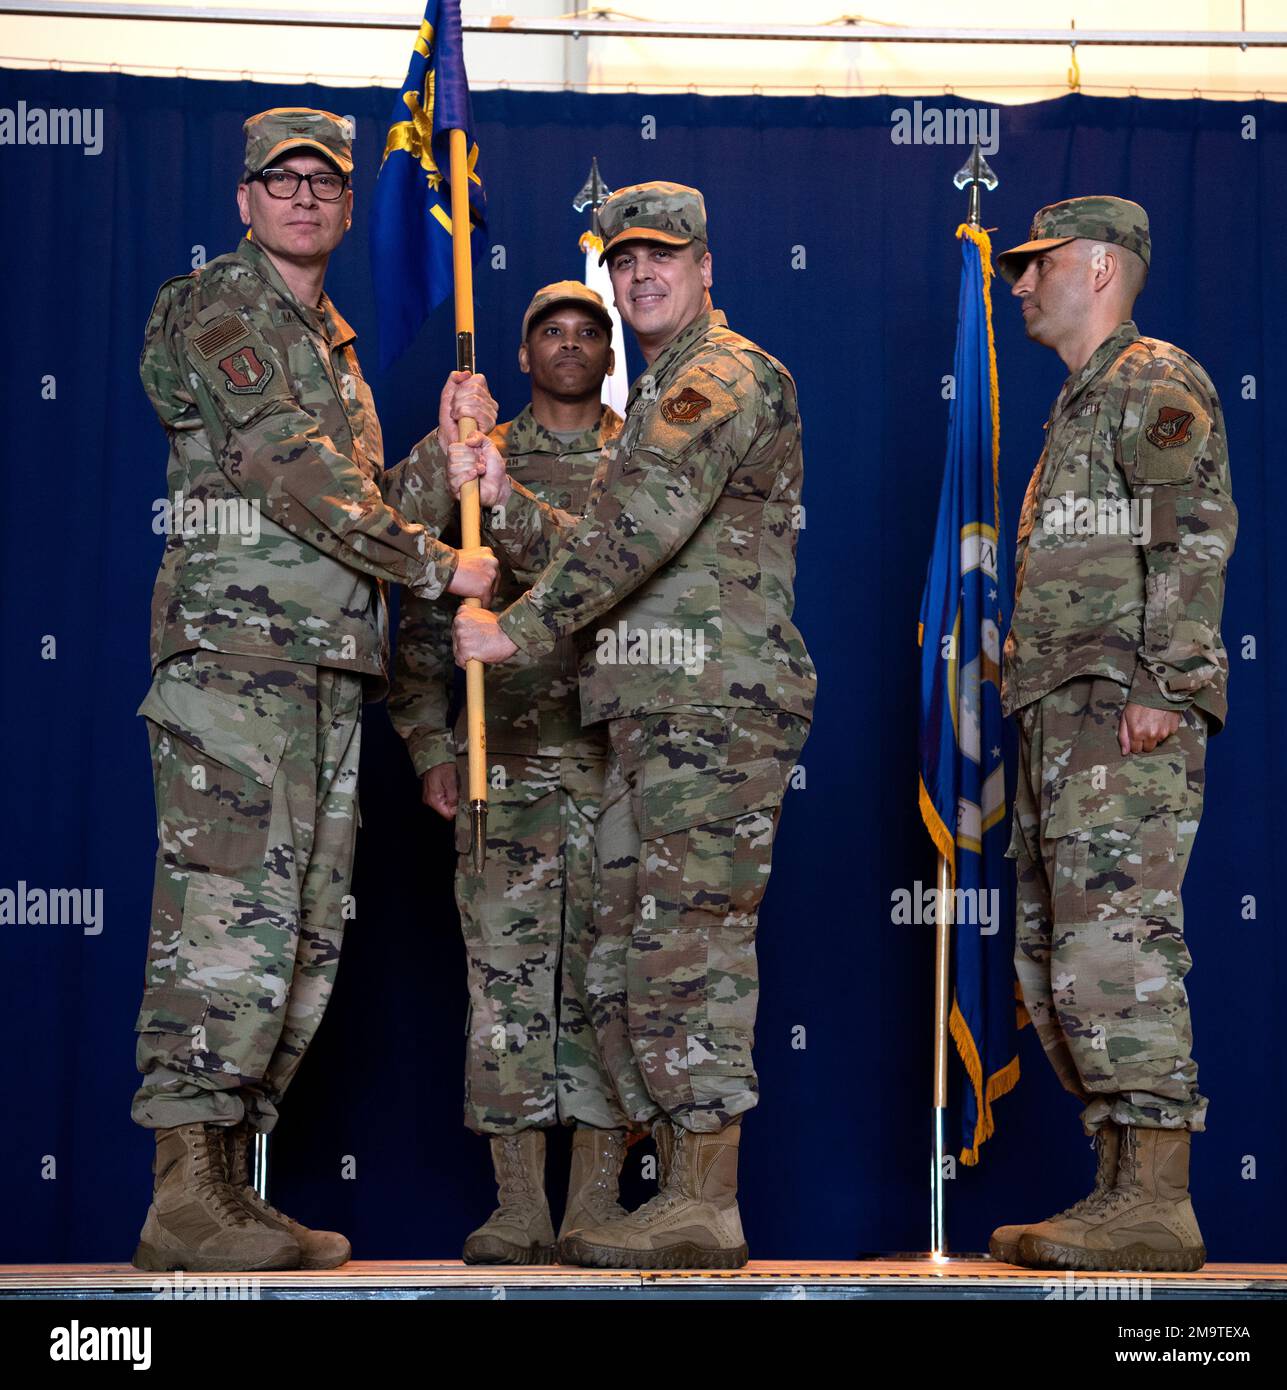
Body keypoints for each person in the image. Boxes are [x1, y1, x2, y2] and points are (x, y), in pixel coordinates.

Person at [131, 107, 497, 1273]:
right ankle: (179, 1191)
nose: (301, 196)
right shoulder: (218, 307)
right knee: (222, 922)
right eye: (278, 179)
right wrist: (441, 566)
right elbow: (284, 474)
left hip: (329, 671)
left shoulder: (333, 343)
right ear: (244, 199)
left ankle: (229, 1187)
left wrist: (440, 465)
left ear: (344, 207)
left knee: (290, 937)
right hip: (238, 665)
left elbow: (352, 501)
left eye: (322, 182)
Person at [448, 183, 816, 1269]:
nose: (641, 272)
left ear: (707, 267)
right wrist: (502, 493)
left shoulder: (720, 373)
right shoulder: (659, 392)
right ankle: (678, 1193)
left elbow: (637, 533)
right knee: (636, 956)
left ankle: (706, 1201)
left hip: (713, 703)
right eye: (624, 258)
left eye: (663, 255)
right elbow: (611, 528)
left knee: (686, 950)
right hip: (654, 712)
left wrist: (515, 630)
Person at [989, 197, 1236, 1272]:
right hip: (1060, 714)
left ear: (1097, 268)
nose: (1019, 282)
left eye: (1036, 264)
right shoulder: (1080, 402)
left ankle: (1157, 1200)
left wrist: (1159, 682)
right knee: (1061, 951)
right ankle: (1117, 1186)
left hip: (1120, 713)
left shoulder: (1153, 383)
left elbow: (1192, 542)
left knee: (1119, 946)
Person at [390, 281, 629, 1264]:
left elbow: (625, 577)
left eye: (588, 332)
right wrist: (428, 740)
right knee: (507, 985)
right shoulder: (483, 453)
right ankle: (521, 1205)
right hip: (508, 763)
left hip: (624, 762)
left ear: (607, 352)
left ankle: (598, 1205)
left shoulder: (643, 458)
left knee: (617, 985)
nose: (569, 347)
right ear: (525, 356)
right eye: (549, 334)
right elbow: (413, 607)